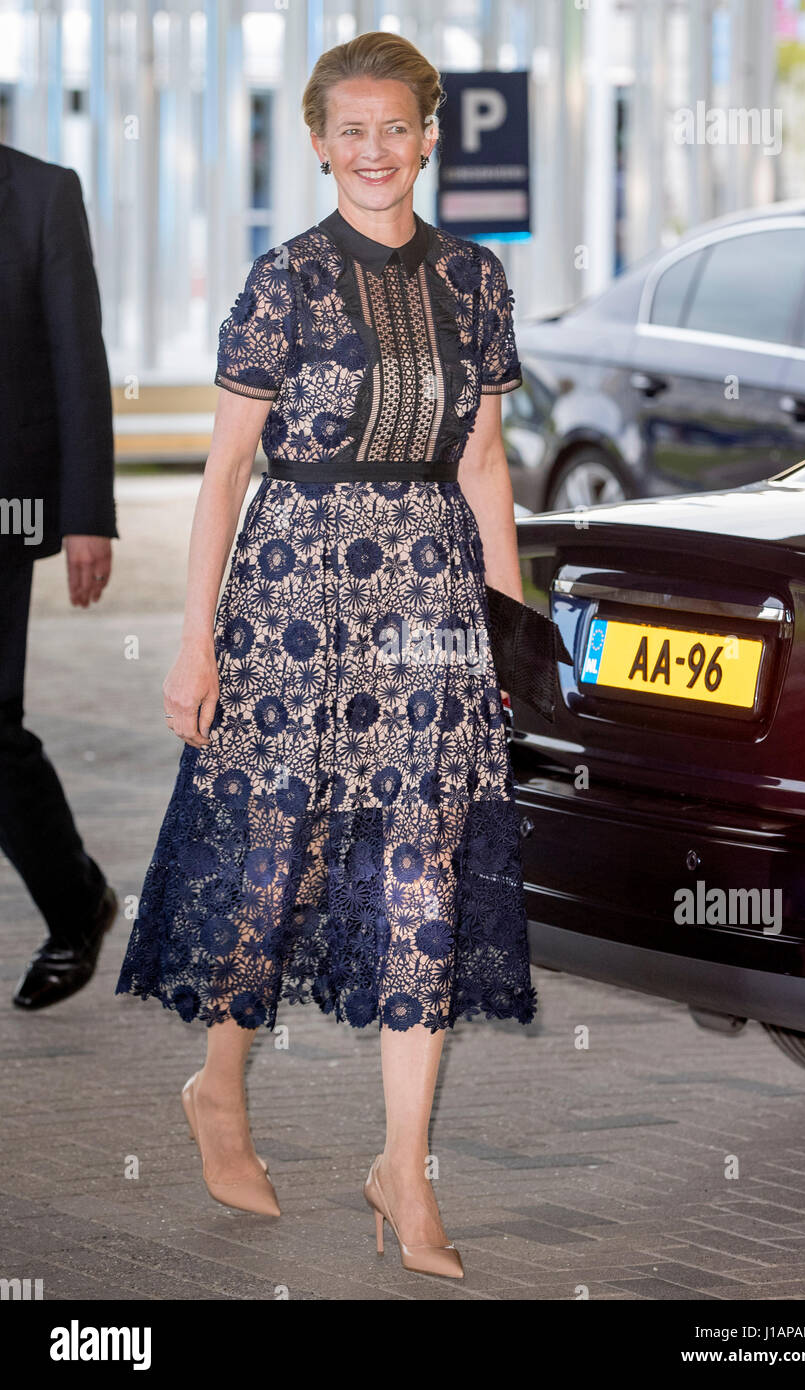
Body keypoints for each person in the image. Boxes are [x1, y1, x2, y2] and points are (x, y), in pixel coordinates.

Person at [116, 30, 536, 1280]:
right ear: (316, 143)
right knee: (271, 872)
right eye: (348, 130)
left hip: (428, 604)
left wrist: (506, 636)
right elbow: (224, 473)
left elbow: (482, 466)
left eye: (393, 128)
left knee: (423, 872)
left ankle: (403, 1170)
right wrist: (194, 645)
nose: (372, 150)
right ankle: (219, 1085)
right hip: (290, 596)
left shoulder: (476, 281)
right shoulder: (283, 279)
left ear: (425, 139)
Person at [0, 142, 119, 1011]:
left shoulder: (42, 193)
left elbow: (79, 359)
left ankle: (75, 907)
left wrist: (87, 512)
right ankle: (80, 898)